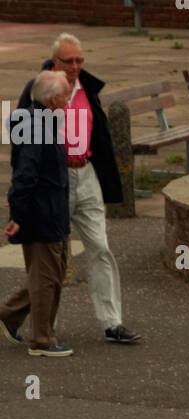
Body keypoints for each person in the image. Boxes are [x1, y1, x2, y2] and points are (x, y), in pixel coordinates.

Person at [17, 33, 140, 345]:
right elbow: (19, 143)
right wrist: (23, 193)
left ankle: (112, 322)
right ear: (55, 60)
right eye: (68, 60)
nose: (74, 66)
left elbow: (100, 136)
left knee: (100, 247)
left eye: (79, 60)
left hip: (85, 174)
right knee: (52, 259)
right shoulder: (38, 90)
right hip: (54, 183)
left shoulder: (89, 90)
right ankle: (34, 323)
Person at [0, 70, 74, 358]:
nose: (69, 102)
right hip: (42, 214)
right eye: (66, 96)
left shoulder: (41, 122)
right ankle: (42, 339)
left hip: (51, 212)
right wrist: (18, 214)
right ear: (54, 99)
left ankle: (8, 315)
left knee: (50, 274)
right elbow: (25, 175)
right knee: (46, 278)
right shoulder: (37, 128)